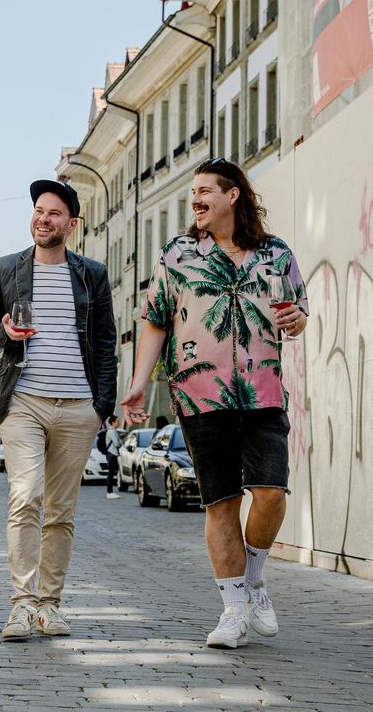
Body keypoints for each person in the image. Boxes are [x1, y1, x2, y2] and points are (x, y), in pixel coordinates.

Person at [122, 157, 308, 650]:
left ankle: (254, 579)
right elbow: (156, 320)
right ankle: (232, 611)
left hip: (264, 392)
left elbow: (298, 310)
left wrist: (296, 321)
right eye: (193, 193)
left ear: (234, 196)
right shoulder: (178, 254)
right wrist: (140, 382)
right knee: (221, 504)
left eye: (206, 190)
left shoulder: (276, 253)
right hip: (201, 396)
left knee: (271, 494)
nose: (196, 200)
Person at [0, 178, 117, 640]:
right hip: (24, 401)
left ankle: (49, 606)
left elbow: (105, 340)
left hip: (78, 406)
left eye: (54, 213)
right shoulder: (6, 268)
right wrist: (5, 334)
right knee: (24, 498)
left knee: (60, 511)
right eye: (39, 210)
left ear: (71, 224)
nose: (43, 218)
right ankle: (21, 603)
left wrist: (102, 406)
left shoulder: (91, 273)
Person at [102, 415, 122, 499]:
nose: (119, 422)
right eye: (117, 421)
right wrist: (120, 442)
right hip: (112, 454)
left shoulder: (113, 431)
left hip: (112, 454)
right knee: (110, 473)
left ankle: (110, 492)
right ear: (113, 422)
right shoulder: (111, 431)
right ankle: (109, 492)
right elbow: (117, 443)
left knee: (111, 473)